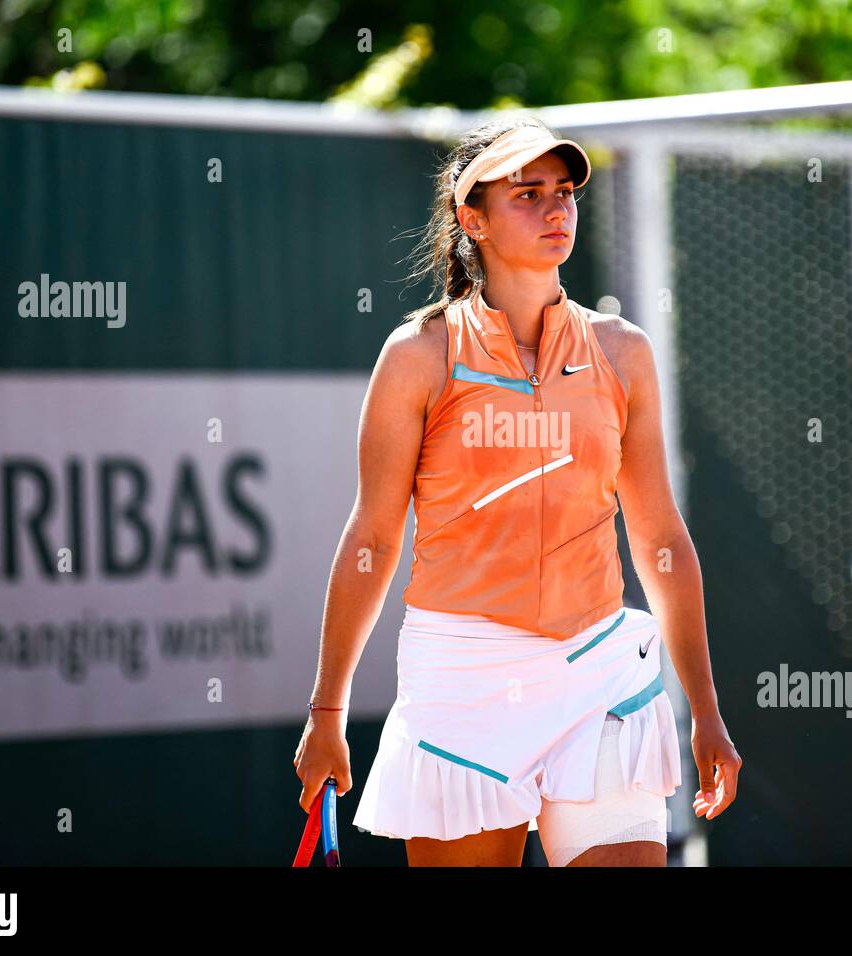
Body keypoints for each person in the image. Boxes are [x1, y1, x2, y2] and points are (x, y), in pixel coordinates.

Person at [293, 116, 741, 867]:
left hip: (598, 672)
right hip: (461, 680)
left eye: (563, 192)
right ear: (475, 220)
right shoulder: (418, 355)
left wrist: (705, 709)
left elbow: (660, 539)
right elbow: (372, 538)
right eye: (527, 195)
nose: (556, 209)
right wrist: (327, 710)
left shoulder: (623, 353)